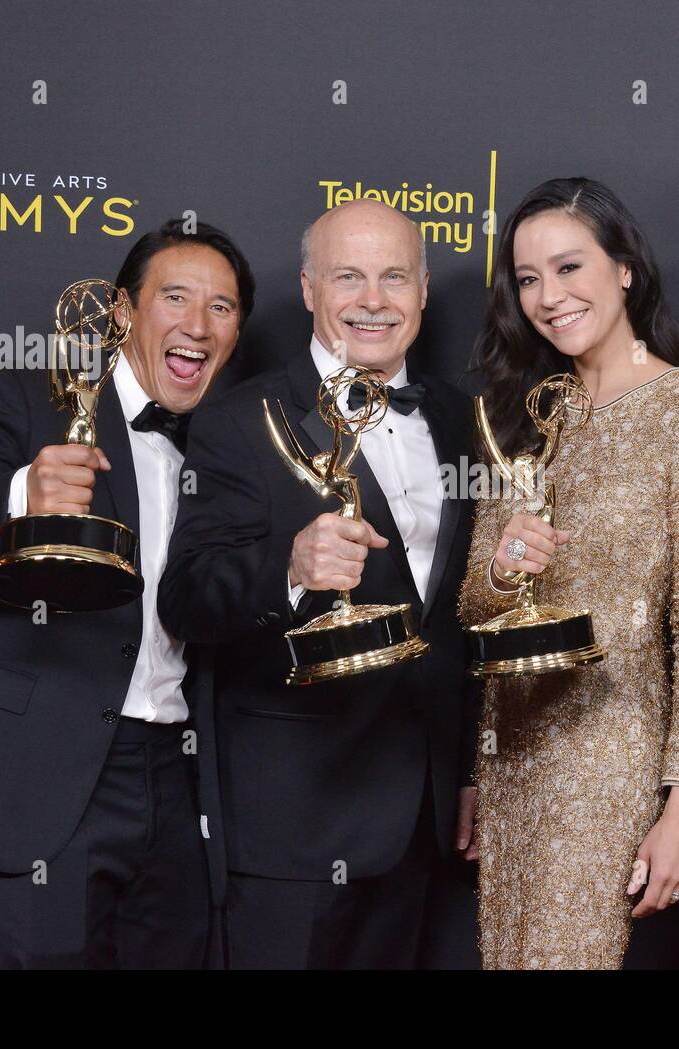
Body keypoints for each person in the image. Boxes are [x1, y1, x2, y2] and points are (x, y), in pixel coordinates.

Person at [0, 218, 252, 968]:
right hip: (38, 775)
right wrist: (19, 494)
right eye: (176, 297)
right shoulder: (22, 390)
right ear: (122, 310)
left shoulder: (228, 442)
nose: (199, 325)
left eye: (223, 307)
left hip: (175, 781)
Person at [158, 198, 478, 969]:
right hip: (294, 824)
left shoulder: (461, 418)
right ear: (308, 289)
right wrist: (290, 571)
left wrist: (469, 768)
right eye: (347, 277)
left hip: (424, 823)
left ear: (423, 290)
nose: (373, 300)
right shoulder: (241, 419)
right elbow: (187, 598)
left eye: (394, 277)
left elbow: (455, 619)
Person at [458, 177, 679, 969]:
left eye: (569, 267)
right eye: (528, 278)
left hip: (612, 758)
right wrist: (504, 568)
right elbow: (476, 610)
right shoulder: (523, 413)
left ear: (624, 268)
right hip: (513, 757)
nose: (549, 297)